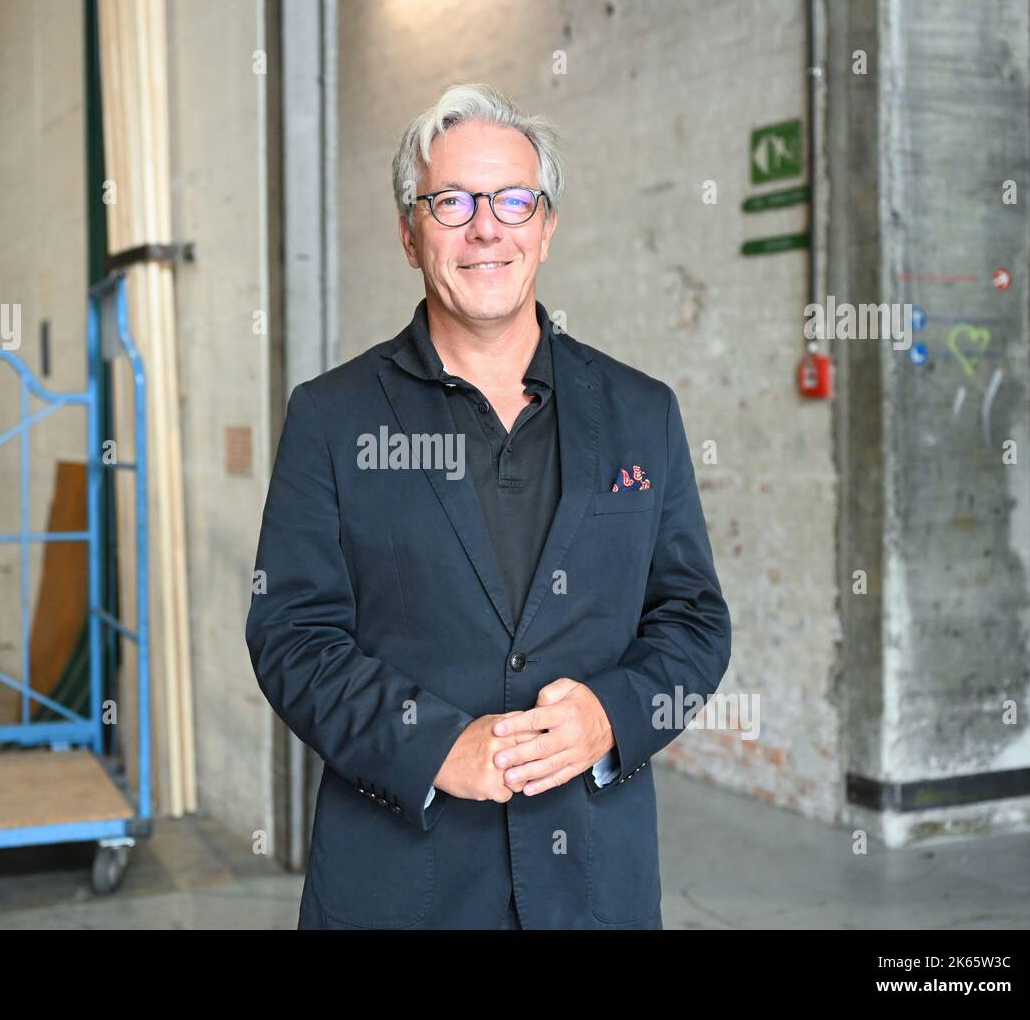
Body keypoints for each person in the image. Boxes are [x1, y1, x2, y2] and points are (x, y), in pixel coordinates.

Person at [246, 82, 730, 929]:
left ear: (544, 225)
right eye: (451, 202)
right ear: (408, 232)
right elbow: (290, 634)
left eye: (512, 200)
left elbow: (692, 618)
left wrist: (611, 718)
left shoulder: (639, 411)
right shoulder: (331, 416)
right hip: (399, 884)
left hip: (594, 883)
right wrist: (431, 745)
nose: (485, 227)